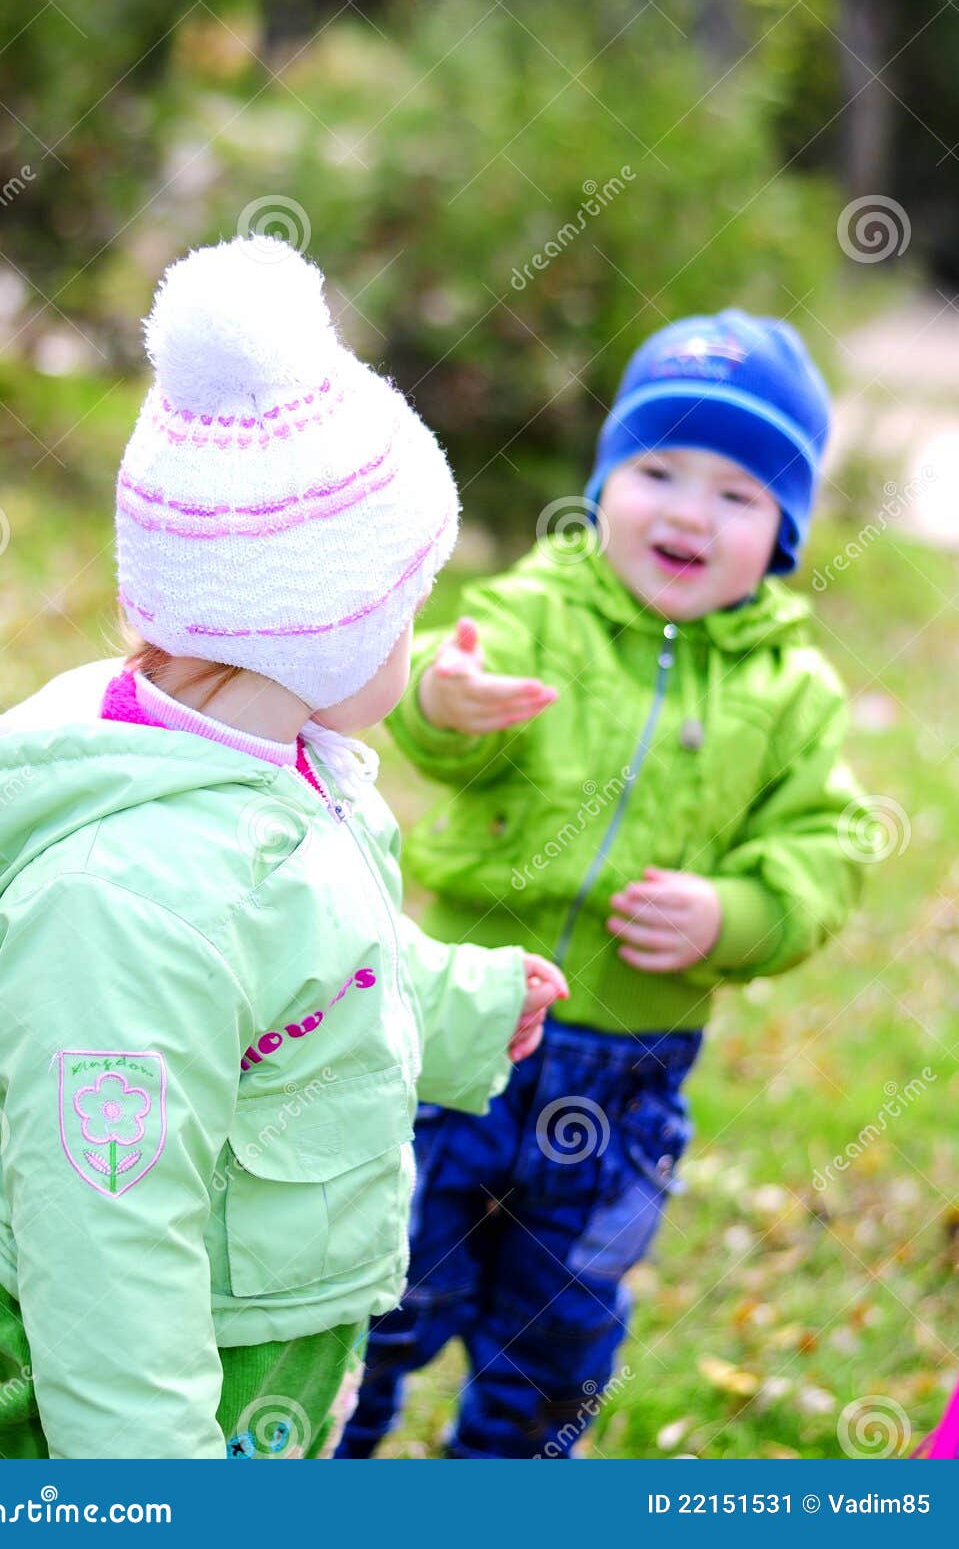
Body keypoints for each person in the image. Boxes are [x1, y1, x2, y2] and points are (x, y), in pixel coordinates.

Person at [0, 235, 566, 1460]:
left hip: (270, 1320)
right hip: (181, 1380)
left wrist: (460, 1001)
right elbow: (106, 1246)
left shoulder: (278, 765)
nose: (416, 631)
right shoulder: (125, 902)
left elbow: (315, 965)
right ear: (318, 625)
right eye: (402, 601)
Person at [337, 310, 869, 1459]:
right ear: (607, 479)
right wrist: (442, 699)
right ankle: (325, 1466)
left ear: (783, 530)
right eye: (658, 468)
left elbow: (828, 841)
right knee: (372, 1284)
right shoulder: (544, 606)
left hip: (627, 1075)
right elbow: (444, 676)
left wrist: (744, 913)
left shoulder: (793, 691)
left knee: (557, 1333)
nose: (686, 508)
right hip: (459, 1026)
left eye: (736, 491)